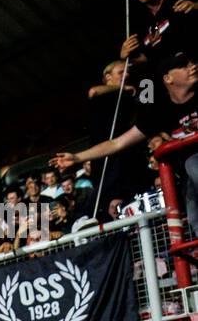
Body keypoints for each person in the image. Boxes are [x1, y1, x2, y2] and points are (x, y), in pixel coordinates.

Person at [52, 52, 198, 232]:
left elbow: (146, 91)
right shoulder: (159, 110)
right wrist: (76, 157)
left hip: (188, 166)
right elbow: (116, 143)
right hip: (187, 176)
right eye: (183, 66)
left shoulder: (144, 95)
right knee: (193, 211)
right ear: (168, 78)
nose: (192, 67)